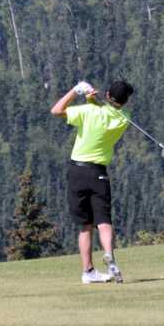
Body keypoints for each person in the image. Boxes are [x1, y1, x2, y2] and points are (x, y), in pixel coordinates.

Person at [51, 78, 134, 284]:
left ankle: (88, 271)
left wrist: (76, 91)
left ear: (107, 95)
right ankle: (109, 255)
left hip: (77, 172)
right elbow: (107, 113)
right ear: (124, 102)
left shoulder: (87, 112)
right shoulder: (124, 118)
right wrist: (94, 101)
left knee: (85, 226)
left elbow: (56, 110)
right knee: (104, 222)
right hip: (99, 173)